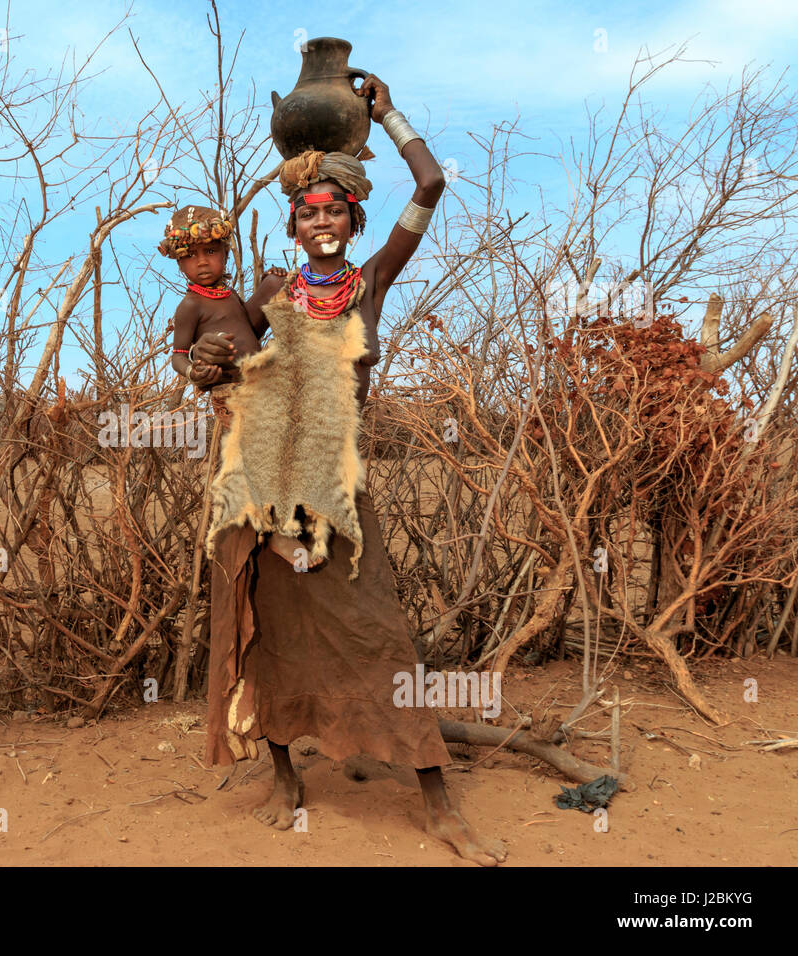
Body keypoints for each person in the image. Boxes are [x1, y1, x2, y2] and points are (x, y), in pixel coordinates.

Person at [193, 74, 507, 866]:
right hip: (265, 484)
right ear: (293, 225)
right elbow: (216, 362)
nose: (323, 219)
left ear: (354, 217)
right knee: (272, 633)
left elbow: (431, 182)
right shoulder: (269, 291)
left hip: (336, 487)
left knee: (378, 633)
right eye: (309, 211)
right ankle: (284, 779)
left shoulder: (371, 282)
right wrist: (206, 365)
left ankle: (436, 800)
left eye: (335, 208)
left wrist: (387, 112)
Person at [160, 206, 309, 566]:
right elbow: (177, 355)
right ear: (180, 265)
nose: (202, 262)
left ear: (227, 253)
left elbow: (249, 328)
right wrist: (194, 371)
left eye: (211, 251)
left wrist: (273, 286)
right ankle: (275, 533)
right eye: (190, 256)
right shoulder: (190, 306)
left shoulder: (228, 298)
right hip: (231, 394)